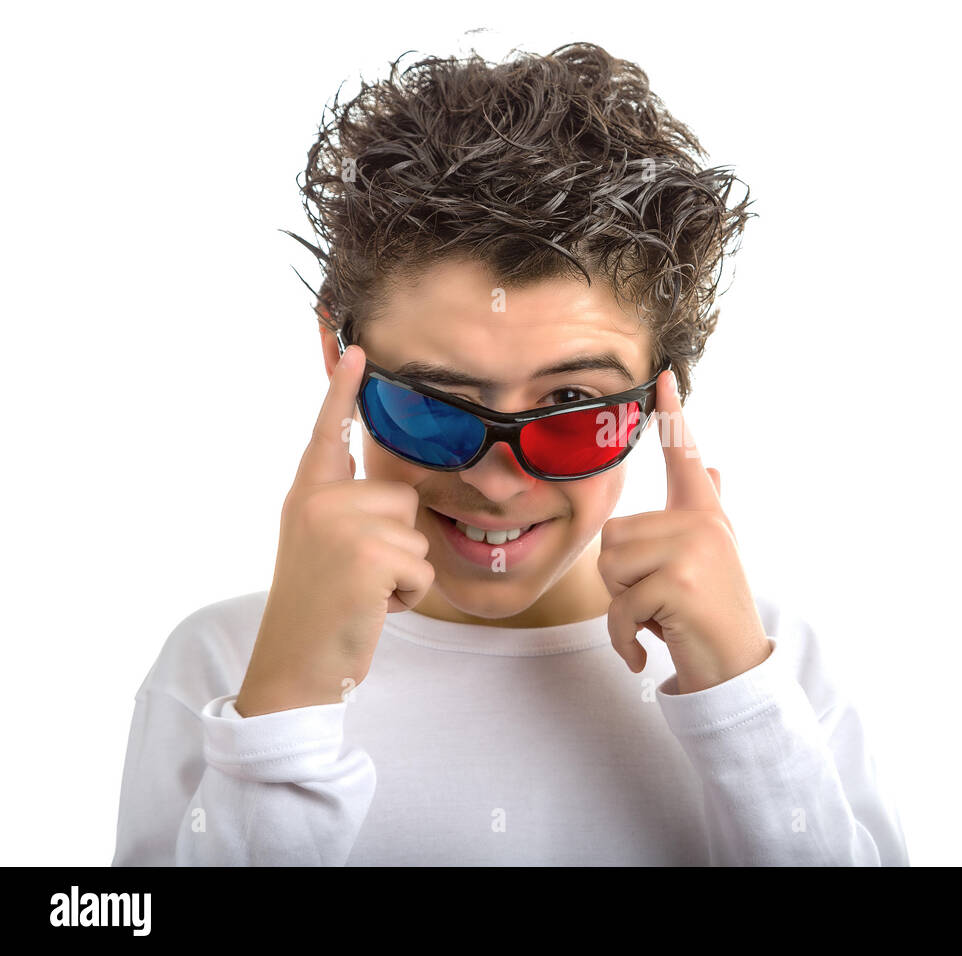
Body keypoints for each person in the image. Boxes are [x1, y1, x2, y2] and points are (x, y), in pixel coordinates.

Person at [111, 41, 910, 866]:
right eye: (433, 403)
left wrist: (741, 706)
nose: (496, 481)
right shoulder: (223, 666)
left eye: (570, 407)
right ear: (337, 361)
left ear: (665, 394)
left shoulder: (772, 665)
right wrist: (287, 708)